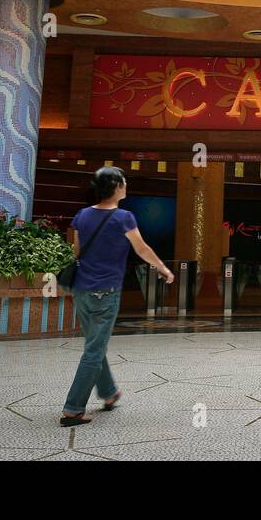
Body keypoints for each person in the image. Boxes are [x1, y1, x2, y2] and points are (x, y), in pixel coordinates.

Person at [62, 166, 173, 428]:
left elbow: (76, 251)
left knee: (94, 344)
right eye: (123, 181)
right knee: (94, 350)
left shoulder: (82, 216)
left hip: (81, 291)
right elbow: (142, 249)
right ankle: (73, 408)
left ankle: (109, 393)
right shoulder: (124, 218)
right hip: (105, 292)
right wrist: (163, 269)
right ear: (116, 187)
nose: (126, 184)